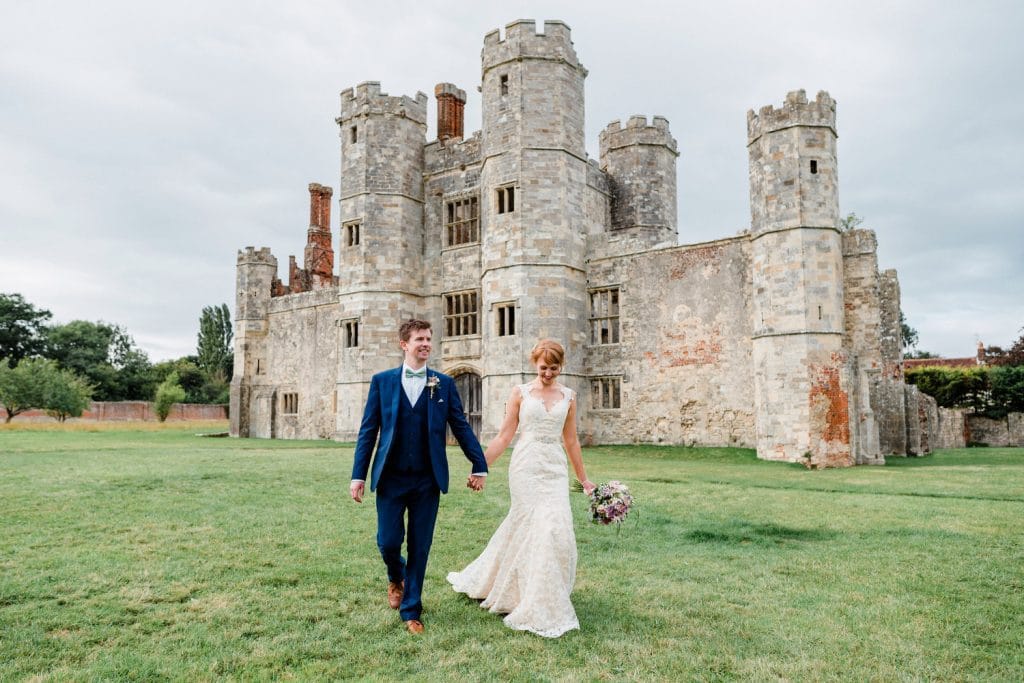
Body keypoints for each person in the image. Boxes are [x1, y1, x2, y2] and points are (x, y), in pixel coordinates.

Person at [447, 339, 596, 638]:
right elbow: (504, 435)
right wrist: (481, 466)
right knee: (529, 526)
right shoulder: (520, 393)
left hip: (554, 468)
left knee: (554, 528)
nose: (548, 374)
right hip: (526, 467)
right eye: (544, 368)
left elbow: (571, 440)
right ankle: (516, 591)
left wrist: (584, 479)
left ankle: (542, 594)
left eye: (554, 368)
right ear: (534, 363)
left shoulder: (569, 396)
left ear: (560, 367)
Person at [350, 319, 488, 635]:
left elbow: (461, 426)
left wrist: (478, 463)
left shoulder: (443, 384)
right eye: (419, 339)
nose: (425, 344)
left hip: (427, 479)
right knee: (387, 541)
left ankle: (412, 609)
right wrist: (358, 475)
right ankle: (395, 576)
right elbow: (368, 431)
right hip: (391, 477)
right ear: (404, 344)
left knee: (420, 545)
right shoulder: (382, 382)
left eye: (428, 338)